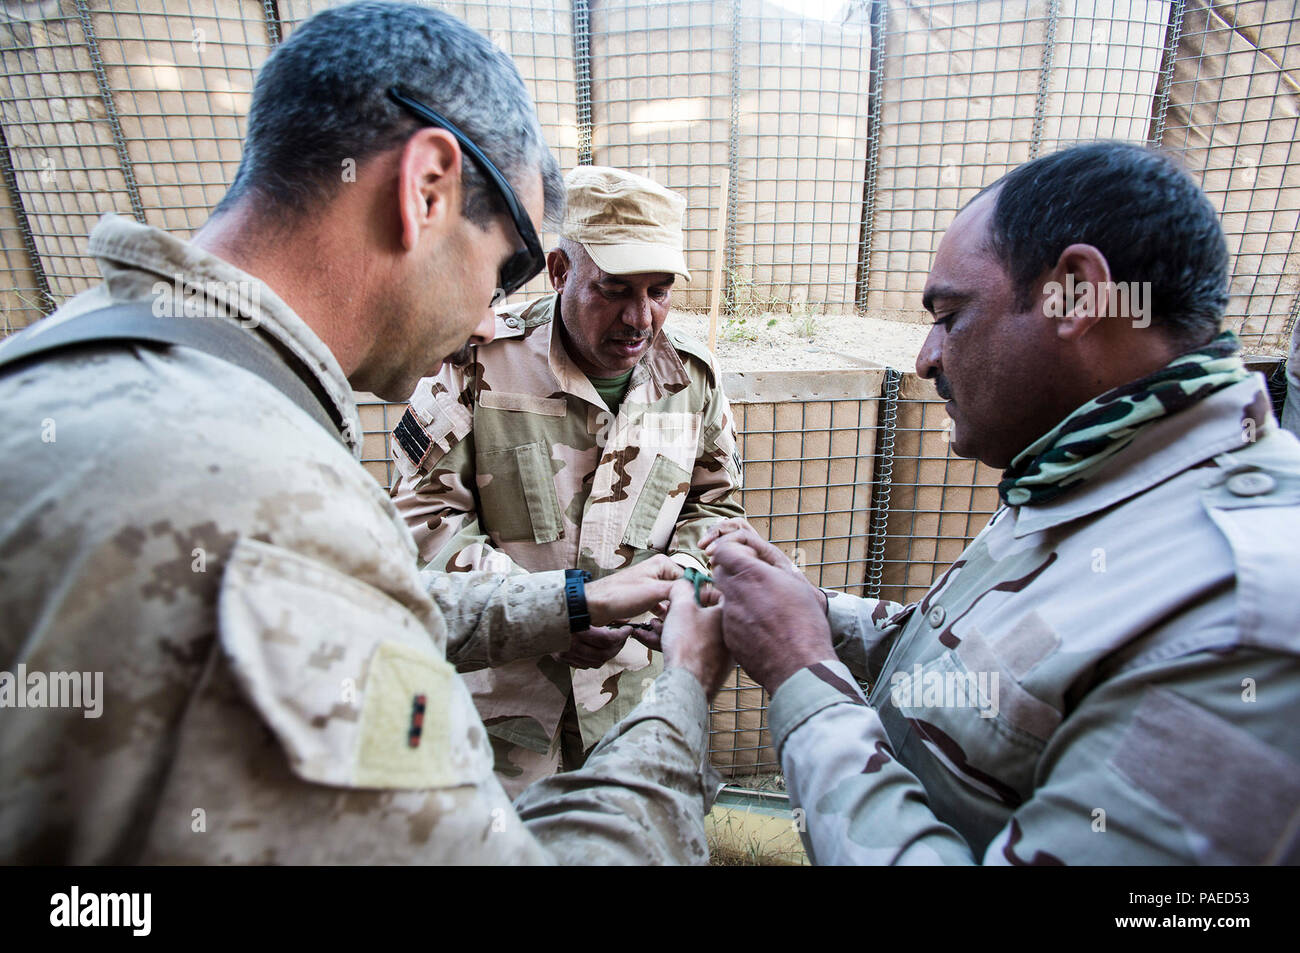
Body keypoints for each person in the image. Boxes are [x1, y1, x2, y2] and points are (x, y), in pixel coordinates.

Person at [0, 2, 733, 865]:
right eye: (506, 268)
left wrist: (575, 600)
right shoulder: (271, 498)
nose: (487, 315)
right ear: (426, 188)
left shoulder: (73, 364)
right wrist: (684, 693)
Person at [702, 142, 1300, 865]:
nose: (925, 358)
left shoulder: (1244, 617)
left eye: (950, 316)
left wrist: (801, 670)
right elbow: (977, 676)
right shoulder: (1088, 466)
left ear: (1077, 295)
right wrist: (806, 613)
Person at [389, 165, 745, 796]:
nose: (640, 319)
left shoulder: (694, 379)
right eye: (613, 289)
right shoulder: (476, 362)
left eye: (660, 291)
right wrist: (555, 612)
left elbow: (716, 509)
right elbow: (421, 525)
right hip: (504, 715)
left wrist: (685, 584)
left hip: (635, 705)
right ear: (559, 272)